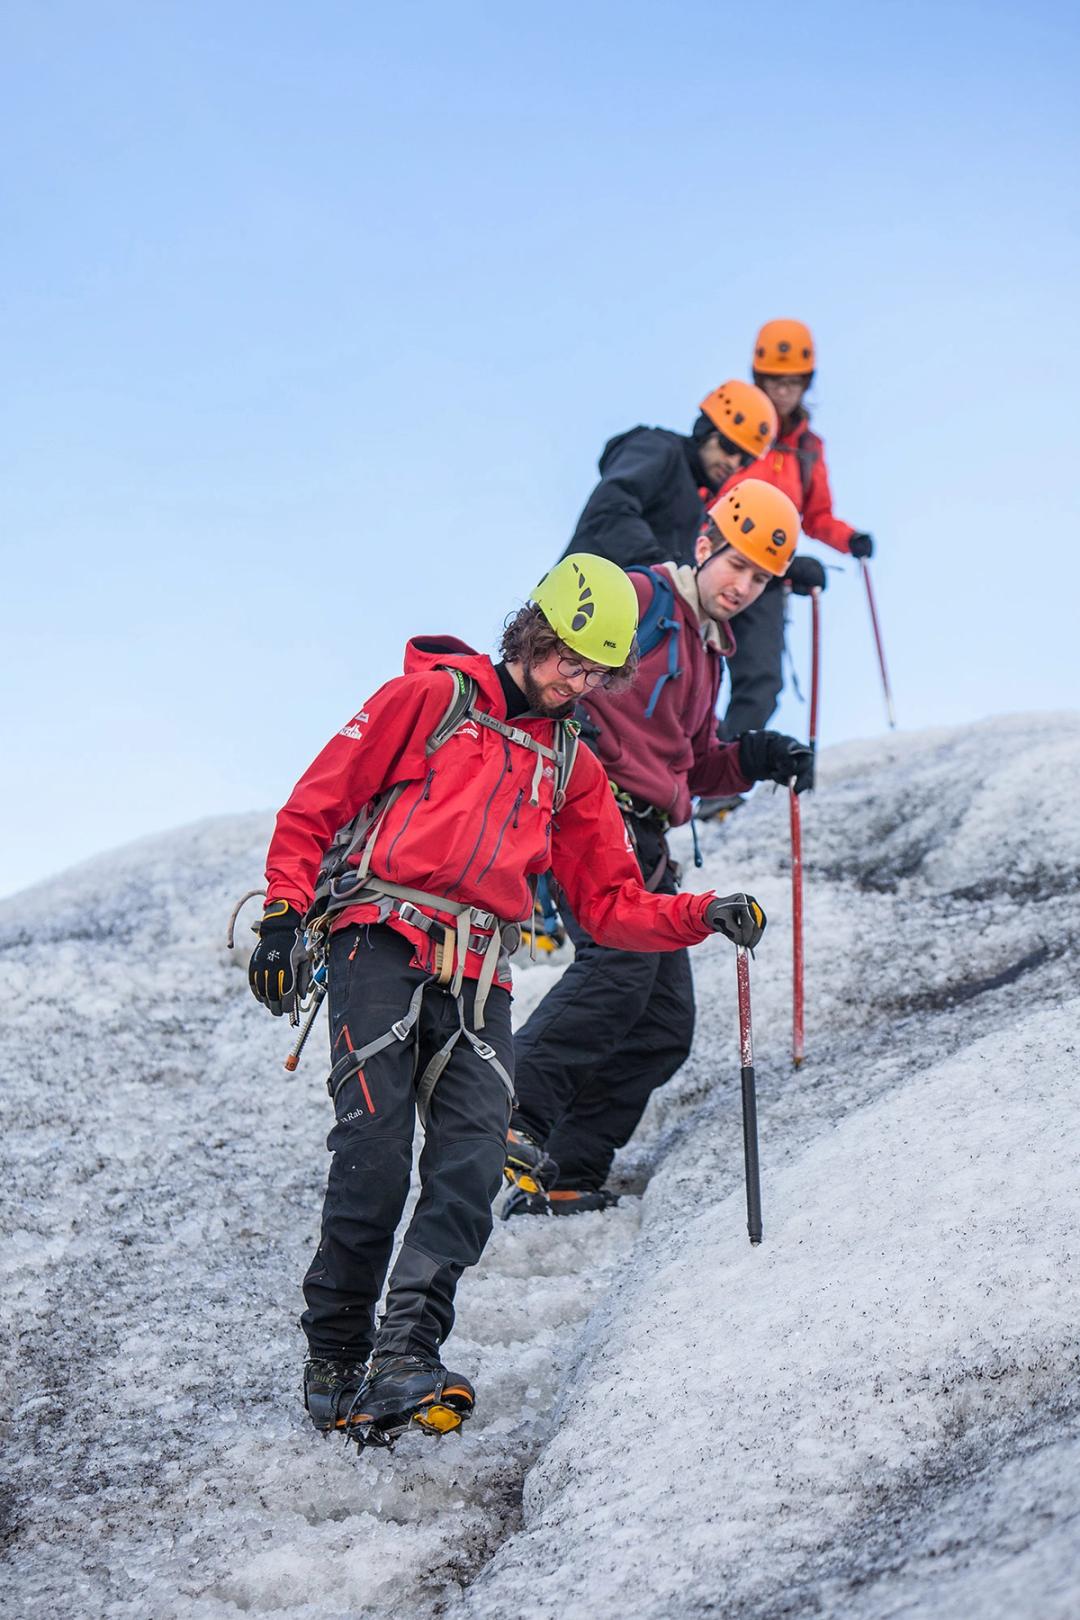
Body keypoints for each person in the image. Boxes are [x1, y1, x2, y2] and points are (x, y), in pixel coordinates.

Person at [247, 554, 768, 1443]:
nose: (579, 681)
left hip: (479, 969)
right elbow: (318, 802)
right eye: (570, 657)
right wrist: (284, 916)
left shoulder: (570, 762)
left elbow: (608, 900)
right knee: (373, 1154)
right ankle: (335, 1355)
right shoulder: (432, 700)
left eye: (598, 671)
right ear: (535, 632)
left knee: (468, 1167)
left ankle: (405, 1352)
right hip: (380, 940)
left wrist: (701, 913)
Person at [504, 481, 813, 1218]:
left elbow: (691, 766)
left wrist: (757, 756)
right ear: (705, 544)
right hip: (589, 806)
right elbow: (564, 663)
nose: (743, 585)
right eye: (736, 563)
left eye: (761, 578)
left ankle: (565, 1172)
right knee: (619, 967)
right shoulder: (642, 598)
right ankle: (503, 1113)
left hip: (646, 833)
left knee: (663, 1024)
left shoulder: (710, 655)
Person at [718, 319, 874, 739]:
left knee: (763, 685)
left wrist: (849, 539)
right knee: (685, 672)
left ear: (807, 383)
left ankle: (718, 790)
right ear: (758, 379)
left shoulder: (808, 449)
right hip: (712, 561)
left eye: (793, 382)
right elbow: (706, 489)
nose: (783, 390)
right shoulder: (735, 425)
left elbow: (817, 516)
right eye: (774, 380)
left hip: (766, 575)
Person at [559, 380, 778, 569]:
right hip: (576, 600)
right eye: (729, 446)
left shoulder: (696, 498)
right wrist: (663, 571)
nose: (733, 463)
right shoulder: (660, 449)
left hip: (622, 610)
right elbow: (610, 508)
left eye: (745, 459)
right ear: (705, 431)